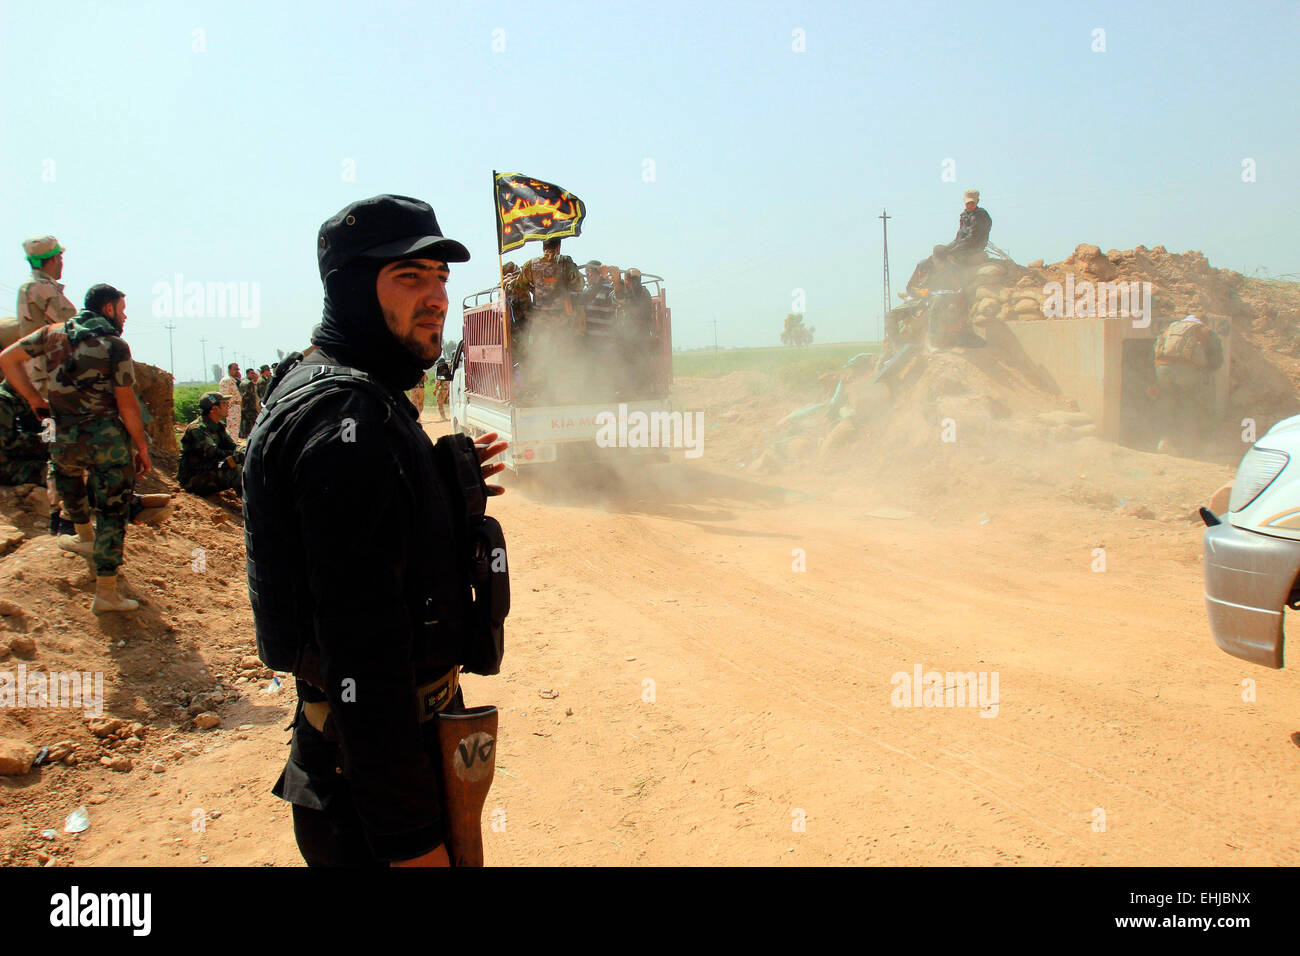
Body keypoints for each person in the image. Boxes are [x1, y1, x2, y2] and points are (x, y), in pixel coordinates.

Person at [243, 194, 510, 867]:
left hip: (365, 765)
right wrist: (411, 843)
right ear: (356, 291)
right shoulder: (347, 422)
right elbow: (364, 659)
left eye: (441, 278)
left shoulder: (336, 391)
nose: (437, 299)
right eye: (409, 278)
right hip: (375, 790)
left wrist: (432, 483)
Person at [0, 283, 151, 613]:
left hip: (64, 437)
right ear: (108, 309)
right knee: (112, 510)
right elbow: (127, 404)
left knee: (68, 479)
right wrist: (141, 447)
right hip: (107, 440)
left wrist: (34, 400)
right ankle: (107, 592)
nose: (124, 316)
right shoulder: (115, 345)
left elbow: (7, 359)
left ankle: (83, 535)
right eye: (122, 310)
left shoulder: (52, 334)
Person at [1154, 314, 1224, 453]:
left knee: (1169, 404)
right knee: (1200, 404)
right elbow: (1216, 362)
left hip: (1163, 371)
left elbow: (1155, 351)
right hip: (1188, 372)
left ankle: (1166, 441)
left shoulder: (1169, 329)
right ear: (1202, 322)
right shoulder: (1205, 331)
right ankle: (1202, 444)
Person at [905, 189, 993, 295]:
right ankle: (912, 289)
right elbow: (959, 237)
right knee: (935, 253)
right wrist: (947, 248)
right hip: (962, 245)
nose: (970, 205)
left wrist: (951, 251)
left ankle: (943, 289)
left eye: (972, 203)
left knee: (947, 262)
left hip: (973, 248)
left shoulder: (980, 216)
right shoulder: (964, 215)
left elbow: (971, 239)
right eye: (968, 203)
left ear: (977, 201)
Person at [178, 391, 243, 496]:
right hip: (193, 479)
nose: (228, 407)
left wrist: (242, 452)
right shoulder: (197, 429)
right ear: (214, 409)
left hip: (208, 470)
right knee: (236, 471)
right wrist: (236, 456)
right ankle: (252, 508)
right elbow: (212, 453)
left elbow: (232, 446)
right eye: (224, 404)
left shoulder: (218, 426)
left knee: (243, 463)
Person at [0, 378, 48, 485]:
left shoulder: (25, 398)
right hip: (5, 465)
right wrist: (42, 440)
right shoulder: (3, 400)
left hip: (19, 457)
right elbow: (7, 444)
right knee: (54, 474)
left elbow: (44, 425)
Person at [218, 362, 242, 439]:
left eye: (238, 369)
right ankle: (232, 446)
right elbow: (224, 396)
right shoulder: (226, 380)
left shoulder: (234, 380)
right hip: (231, 407)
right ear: (229, 370)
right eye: (235, 369)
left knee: (235, 429)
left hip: (236, 407)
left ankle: (233, 444)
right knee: (232, 430)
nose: (237, 371)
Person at [239, 368, 261, 438]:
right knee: (254, 424)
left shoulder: (242, 382)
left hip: (244, 407)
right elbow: (248, 396)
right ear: (248, 374)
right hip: (250, 407)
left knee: (246, 424)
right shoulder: (249, 383)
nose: (253, 375)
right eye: (252, 373)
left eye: (253, 373)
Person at [432, 356, 451, 420]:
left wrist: (435, 390)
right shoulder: (447, 371)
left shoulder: (440, 371)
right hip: (447, 389)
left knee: (440, 403)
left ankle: (443, 417)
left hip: (442, 389)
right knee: (447, 403)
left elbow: (438, 382)